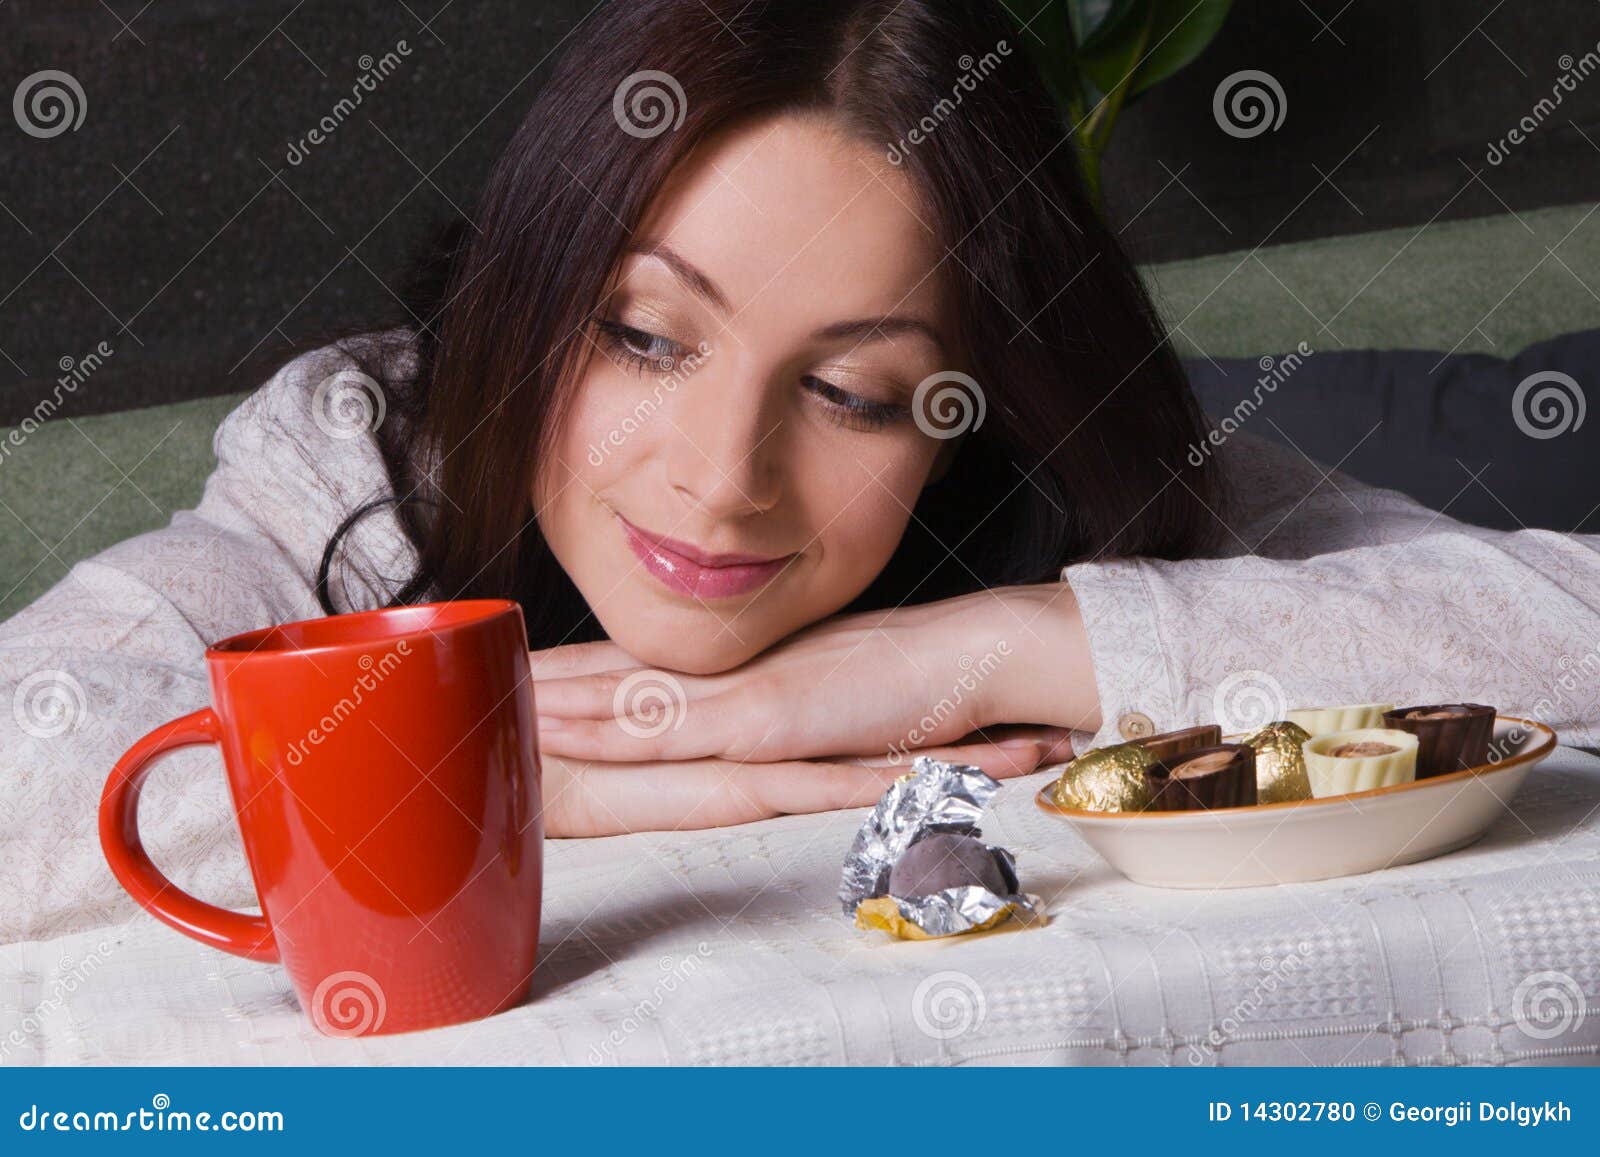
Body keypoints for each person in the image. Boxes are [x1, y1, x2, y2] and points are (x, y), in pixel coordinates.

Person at [3, 0, 1597, 949]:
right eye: (642, 335)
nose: (718, 482)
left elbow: (1567, 629)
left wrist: (980, 646)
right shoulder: (371, 454)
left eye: (854, 392)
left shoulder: (1055, 471)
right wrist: (473, 786)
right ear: (535, 298)